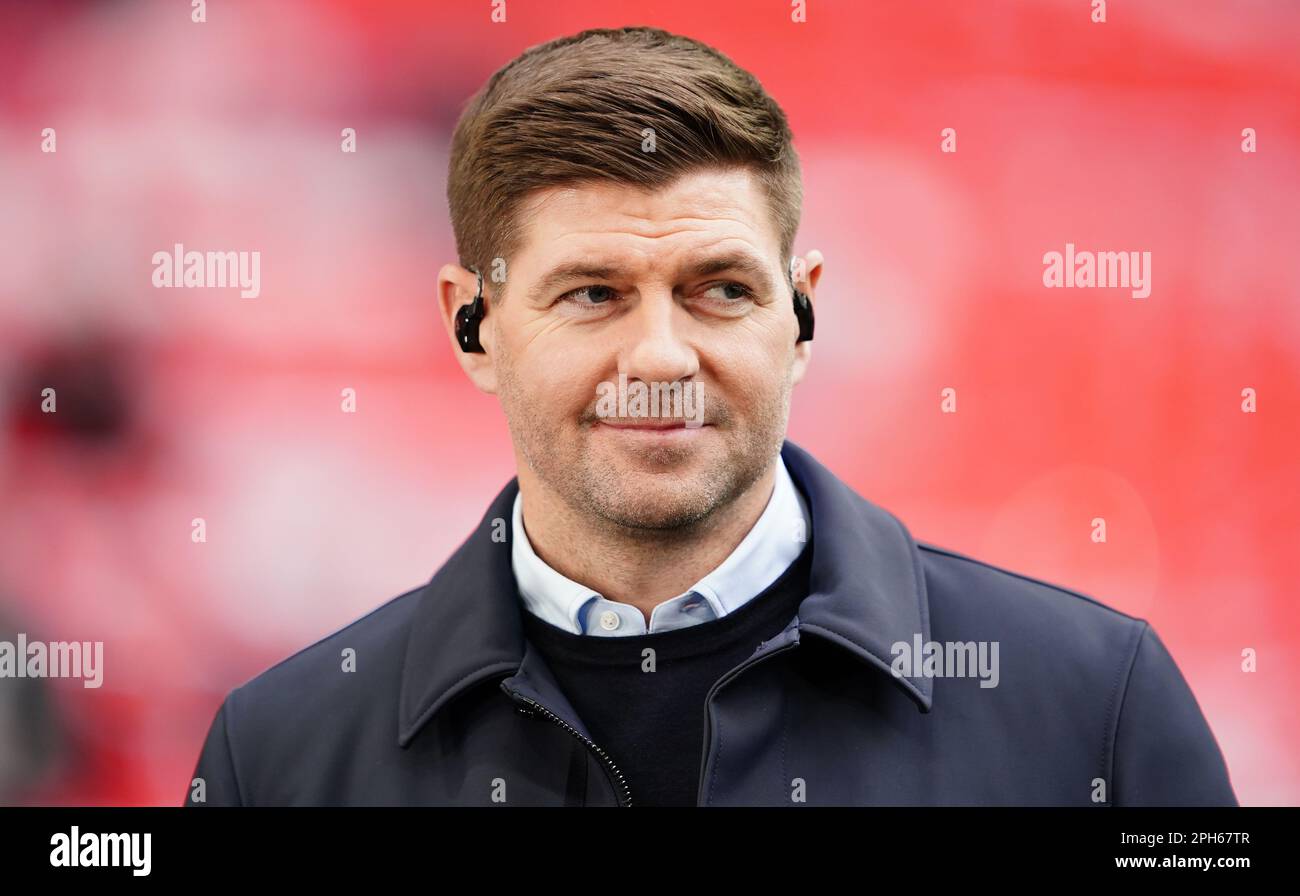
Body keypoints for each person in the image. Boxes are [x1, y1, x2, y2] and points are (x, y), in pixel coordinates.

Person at [185, 26, 1236, 807]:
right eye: (592, 292)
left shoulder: (1094, 705)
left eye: (720, 288)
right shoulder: (279, 752)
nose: (660, 354)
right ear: (474, 326)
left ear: (803, 309)